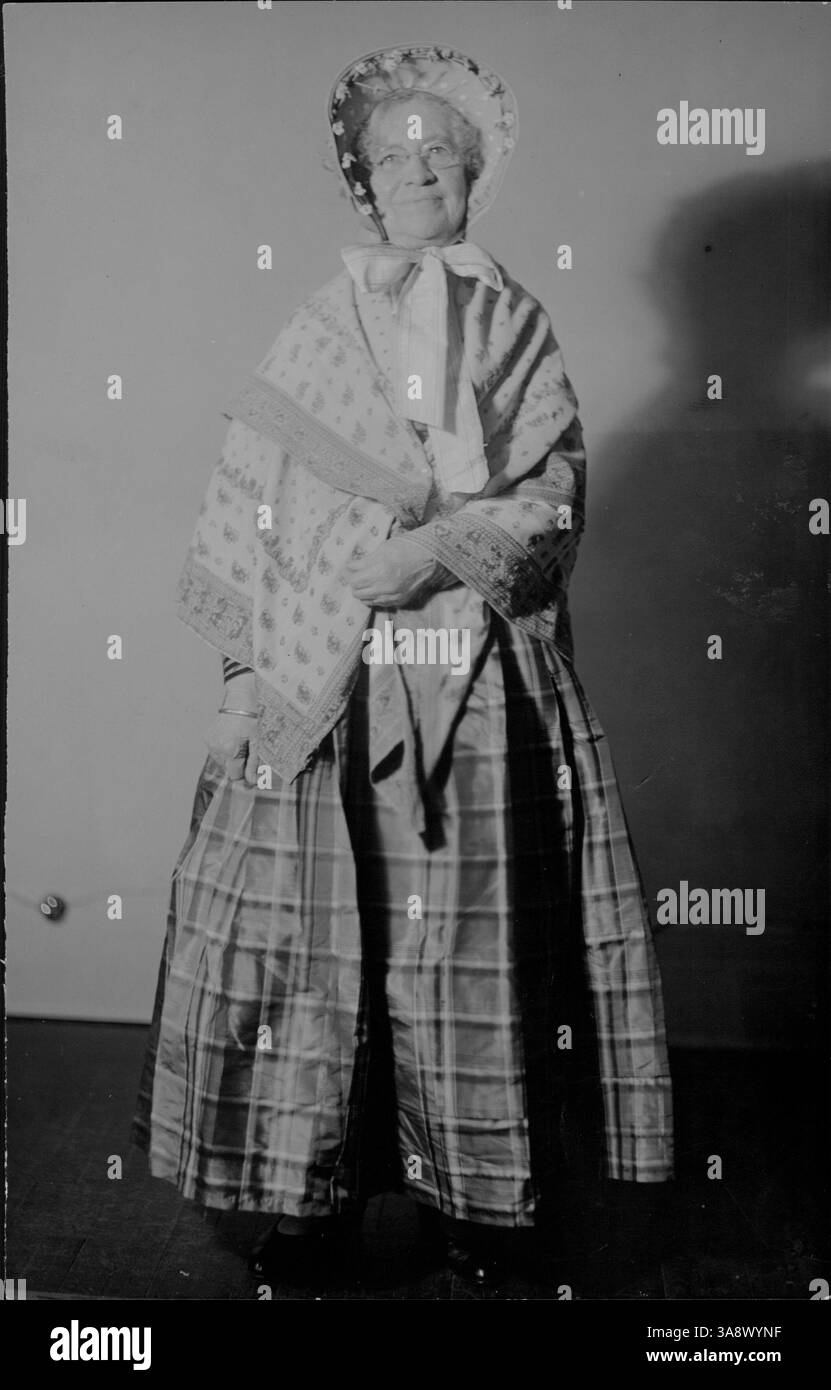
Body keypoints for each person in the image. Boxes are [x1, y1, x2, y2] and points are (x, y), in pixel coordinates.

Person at [132, 43, 673, 1287]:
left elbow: (554, 493)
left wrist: (432, 550)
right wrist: (236, 678)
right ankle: (302, 1204)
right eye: (396, 152)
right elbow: (247, 506)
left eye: (442, 149)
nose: (420, 164)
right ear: (363, 183)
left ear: (474, 171)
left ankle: (471, 1203)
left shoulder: (517, 319)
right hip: (320, 682)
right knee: (313, 946)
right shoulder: (319, 324)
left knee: (469, 941)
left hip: (474, 673)